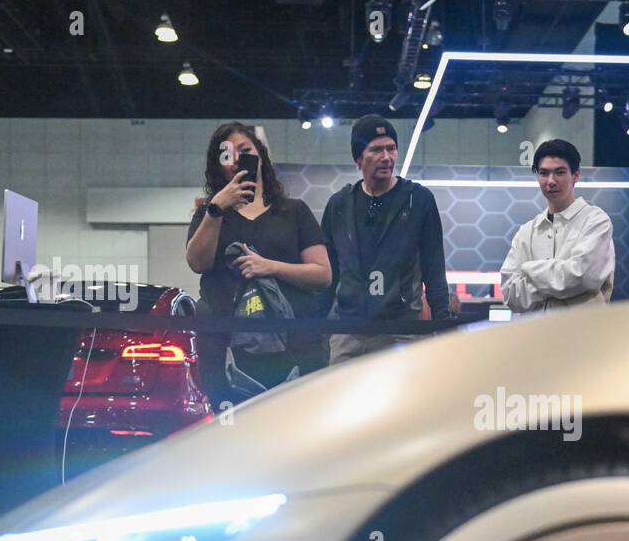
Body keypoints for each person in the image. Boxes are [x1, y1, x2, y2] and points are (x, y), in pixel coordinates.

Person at [186, 122, 332, 402]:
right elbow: (197, 263)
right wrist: (216, 209)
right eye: (227, 155)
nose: (238, 160)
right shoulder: (210, 212)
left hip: (294, 343)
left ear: (261, 156)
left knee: (295, 427)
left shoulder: (294, 211)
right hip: (225, 345)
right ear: (219, 166)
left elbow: (322, 274)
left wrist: (270, 266)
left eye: (245, 151)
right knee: (228, 430)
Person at [320, 115, 452, 365]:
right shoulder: (339, 204)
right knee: (343, 403)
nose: (386, 157)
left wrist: (443, 323)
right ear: (358, 158)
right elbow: (329, 273)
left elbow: (434, 267)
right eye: (376, 150)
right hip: (347, 331)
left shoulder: (419, 200)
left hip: (400, 329)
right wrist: (313, 327)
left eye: (391, 149)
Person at [501, 139, 614, 313]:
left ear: (575, 175)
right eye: (544, 173)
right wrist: (563, 282)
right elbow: (511, 294)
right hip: (534, 337)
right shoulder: (526, 231)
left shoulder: (596, 221)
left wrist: (529, 270)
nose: (551, 181)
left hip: (583, 336)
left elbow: (583, 277)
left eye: (560, 172)